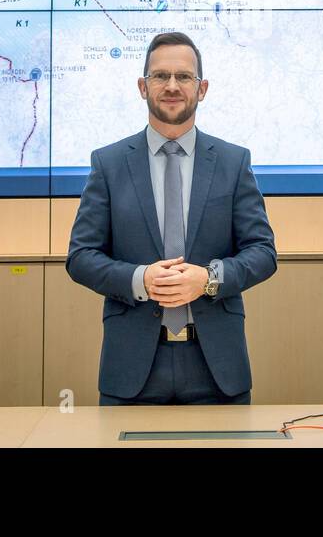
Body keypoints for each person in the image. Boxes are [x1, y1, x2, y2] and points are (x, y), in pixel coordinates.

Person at [66, 31, 278, 405]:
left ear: (203, 88)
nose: (172, 86)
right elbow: (81, 257)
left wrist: (209, 279)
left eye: (184, 77)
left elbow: (262, 252)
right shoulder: (109, 164)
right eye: (160, 76)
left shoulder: (233, 162)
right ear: (142, 86)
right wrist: (139, 279)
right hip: (132, 370)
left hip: (216, 369)